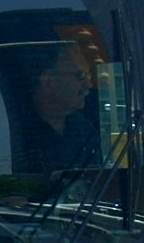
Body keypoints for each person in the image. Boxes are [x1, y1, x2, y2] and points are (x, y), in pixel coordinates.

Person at [11, 38, 102, 173]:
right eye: (80, 75)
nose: (88, 85)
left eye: (89, 75)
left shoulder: (83, 128)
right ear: (48, 81)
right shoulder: (16, 130)